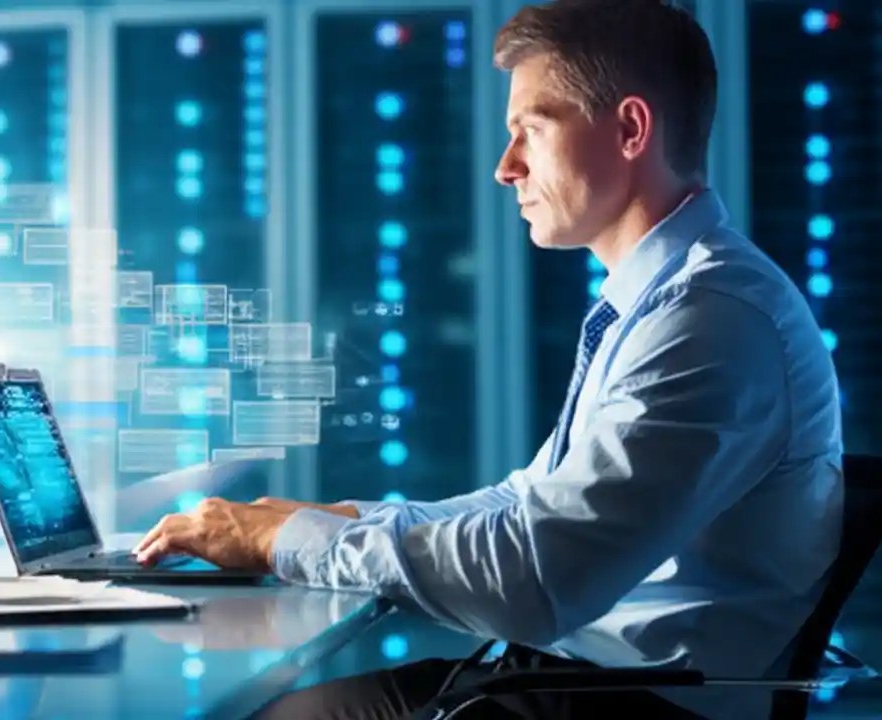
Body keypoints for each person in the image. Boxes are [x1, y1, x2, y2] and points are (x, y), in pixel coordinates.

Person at [134, 0, 844, 717]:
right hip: (565, 682)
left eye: (531, 129)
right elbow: (524, 503)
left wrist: (289, 542)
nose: (506, 168)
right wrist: (332, 519)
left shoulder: (710, 317)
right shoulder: (666, 301)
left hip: (621, 705)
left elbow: (534, 580)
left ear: (630, 129)